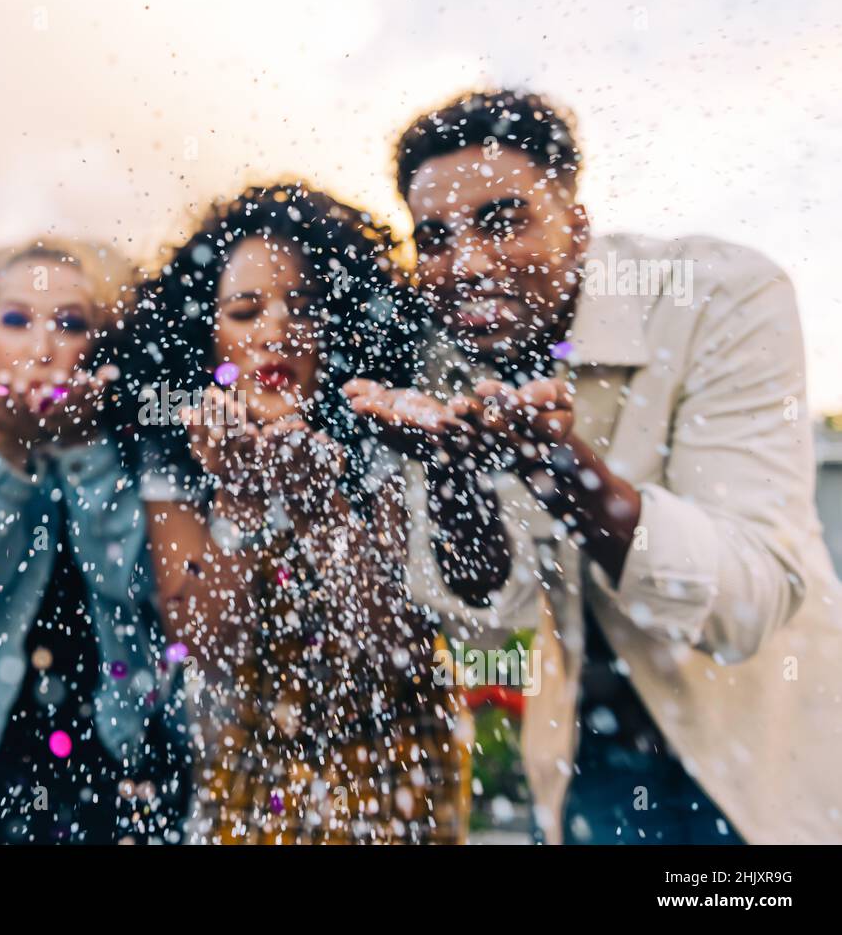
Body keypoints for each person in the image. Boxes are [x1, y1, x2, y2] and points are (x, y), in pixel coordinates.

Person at [348, 88, 842, 843]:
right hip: (587, 756)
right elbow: (486, 621)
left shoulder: (720, 295)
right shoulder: (443, 363)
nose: (467, 264)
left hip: (765, 749)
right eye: (436, 236)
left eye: (503, 220)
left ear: (577, 228)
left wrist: (562, 470)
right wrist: (453, 473)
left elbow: (751, 597)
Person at [126, 182, 510, 843]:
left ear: (339, 325)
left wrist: (315, 503)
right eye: (246, 310)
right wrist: (241, 501)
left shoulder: (382, 423)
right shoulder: (181, 446)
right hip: (246, 756)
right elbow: (209, 643)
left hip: (397, 757)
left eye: (302, 306)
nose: (276, 328)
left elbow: (391, 645)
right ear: (205, 333)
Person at [0, 238, 187, 844]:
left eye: (69, 324)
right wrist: (5, 453)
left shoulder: (132, 421)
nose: (42, 348)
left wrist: (85, 448)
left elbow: (138, 584)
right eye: (15, 320)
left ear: (100, 341)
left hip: (120, 735)